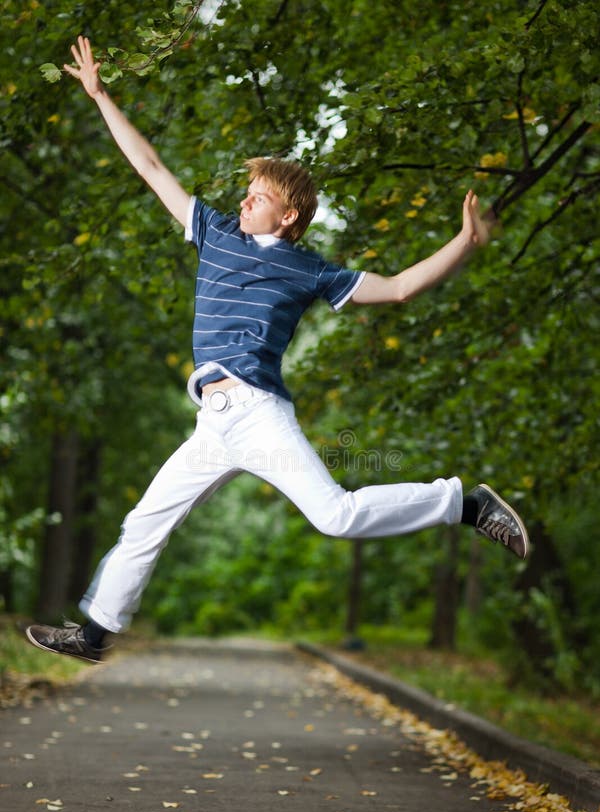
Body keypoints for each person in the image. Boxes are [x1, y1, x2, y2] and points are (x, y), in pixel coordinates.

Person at [26, 36, 528, 664]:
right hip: (212, 423)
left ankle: (464, 502)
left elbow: (398, 288)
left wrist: (463, 244)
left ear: (288, 215)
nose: (242, 201)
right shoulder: (214, 234)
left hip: (258, 416)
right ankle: (93, 634)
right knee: (147, 519)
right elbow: (151, 166)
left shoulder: (310, 270)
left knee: (336, 516)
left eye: (256, 196)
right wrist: (101, 96)